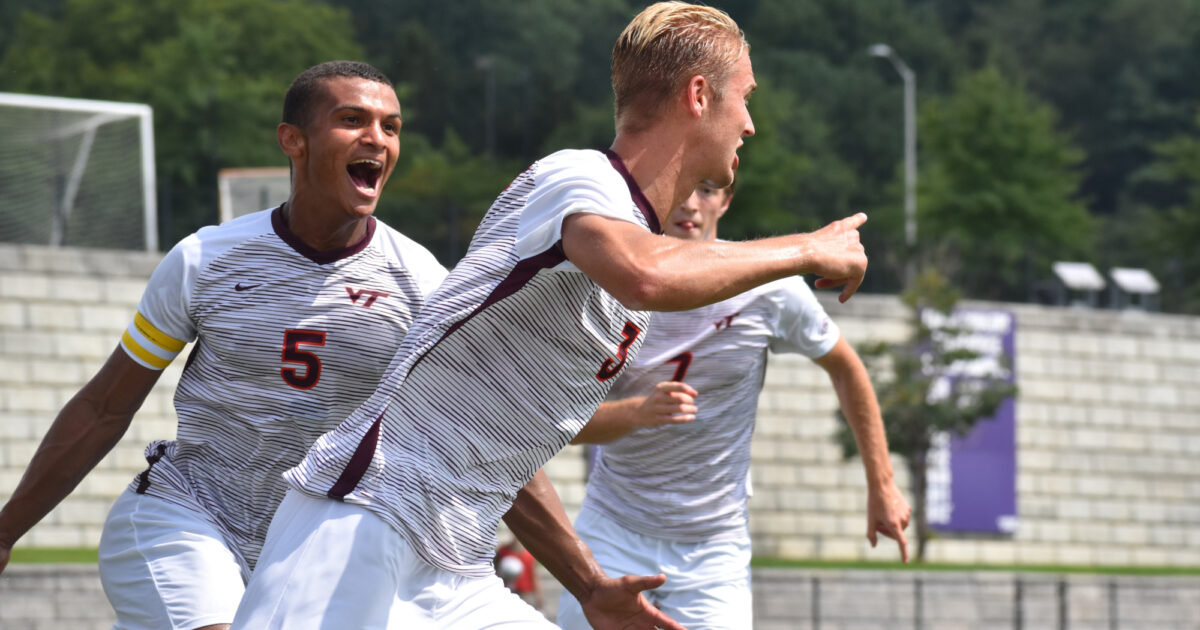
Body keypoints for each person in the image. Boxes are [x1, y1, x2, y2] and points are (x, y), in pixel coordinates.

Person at [231, 3, 870, 628]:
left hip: (459, 562)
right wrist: (809, 248)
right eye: (745, 97)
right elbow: (648, 274)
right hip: (364, 521)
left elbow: (509, 450)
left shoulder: (622, 245)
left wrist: (588, 586)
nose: (750, 125)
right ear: (699, 96)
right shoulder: (580, 178)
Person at [0, 60, 448, 630]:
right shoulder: (205, 260)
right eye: (352, 119)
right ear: (294, 140)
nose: (376, 138)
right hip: (185, 514)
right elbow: (105, 407)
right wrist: (6, 530)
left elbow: (466, 425)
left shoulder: (424, 282)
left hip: (310, 555)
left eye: (391, 126)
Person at [555, 178, 912, 629]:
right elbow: (559, 423)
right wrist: (636, 413)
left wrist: (882, 485)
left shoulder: (768, 290)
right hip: (613, 531)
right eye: (680, 185)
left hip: (713, 551)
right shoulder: (606, 285)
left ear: (726, 200)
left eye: (706, 189)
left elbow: (847, 368)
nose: (689, 203)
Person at [495, 538, 543, 611]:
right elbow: (495, 571)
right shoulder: (503, 551)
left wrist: (539, 602)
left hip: (525, 594)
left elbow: (534, 577)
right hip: (507, 592)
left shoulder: (529, 555)